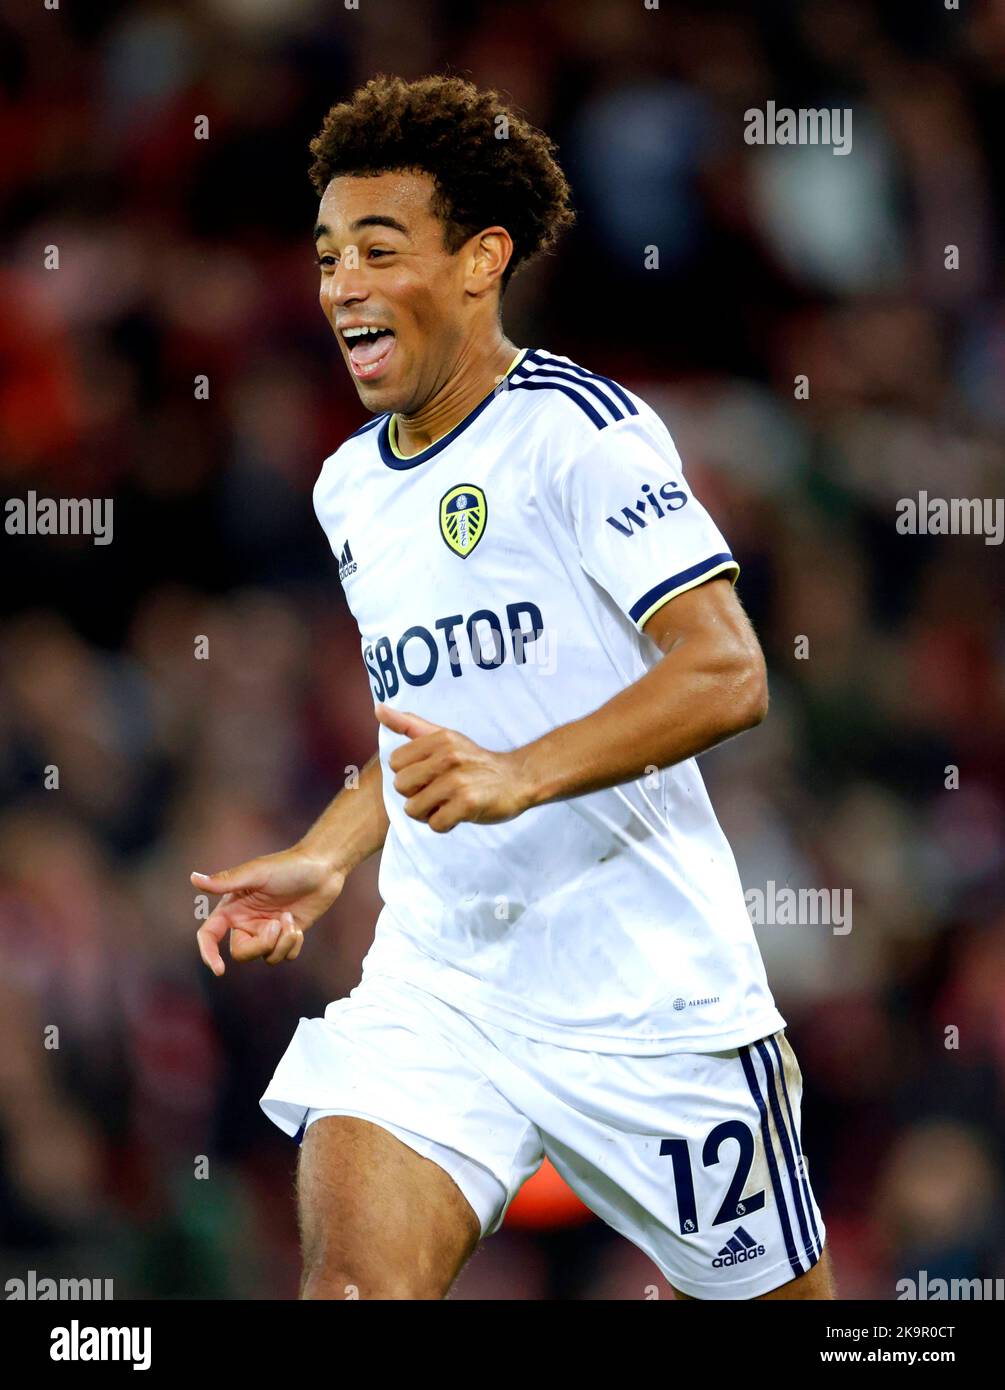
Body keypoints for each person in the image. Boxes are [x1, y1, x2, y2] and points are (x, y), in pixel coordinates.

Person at [193, 74, 833, 1302]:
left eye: (380, 251)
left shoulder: (581, 431)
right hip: (445, 984)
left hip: (651, 996)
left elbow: (729, 670)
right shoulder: (348, 487)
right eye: (329, 257)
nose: (343, 287)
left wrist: (519, 774)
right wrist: (332, 856)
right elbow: (434, 727)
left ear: (483, 259)